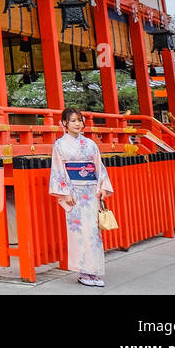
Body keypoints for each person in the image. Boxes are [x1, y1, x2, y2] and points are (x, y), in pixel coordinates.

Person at [49, 108, 114, 287]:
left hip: (91, 192)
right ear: (64, 123)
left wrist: (102, 187)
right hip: (74, 193)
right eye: (73, 121)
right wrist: (65, 192)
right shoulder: (60, 145)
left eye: (80, 120)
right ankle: (83, 272)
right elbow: (58, 170)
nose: (78, 124)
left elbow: (98, 166)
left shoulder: (90, 144)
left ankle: (93, 271)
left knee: (93, 233)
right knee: (79, 233)